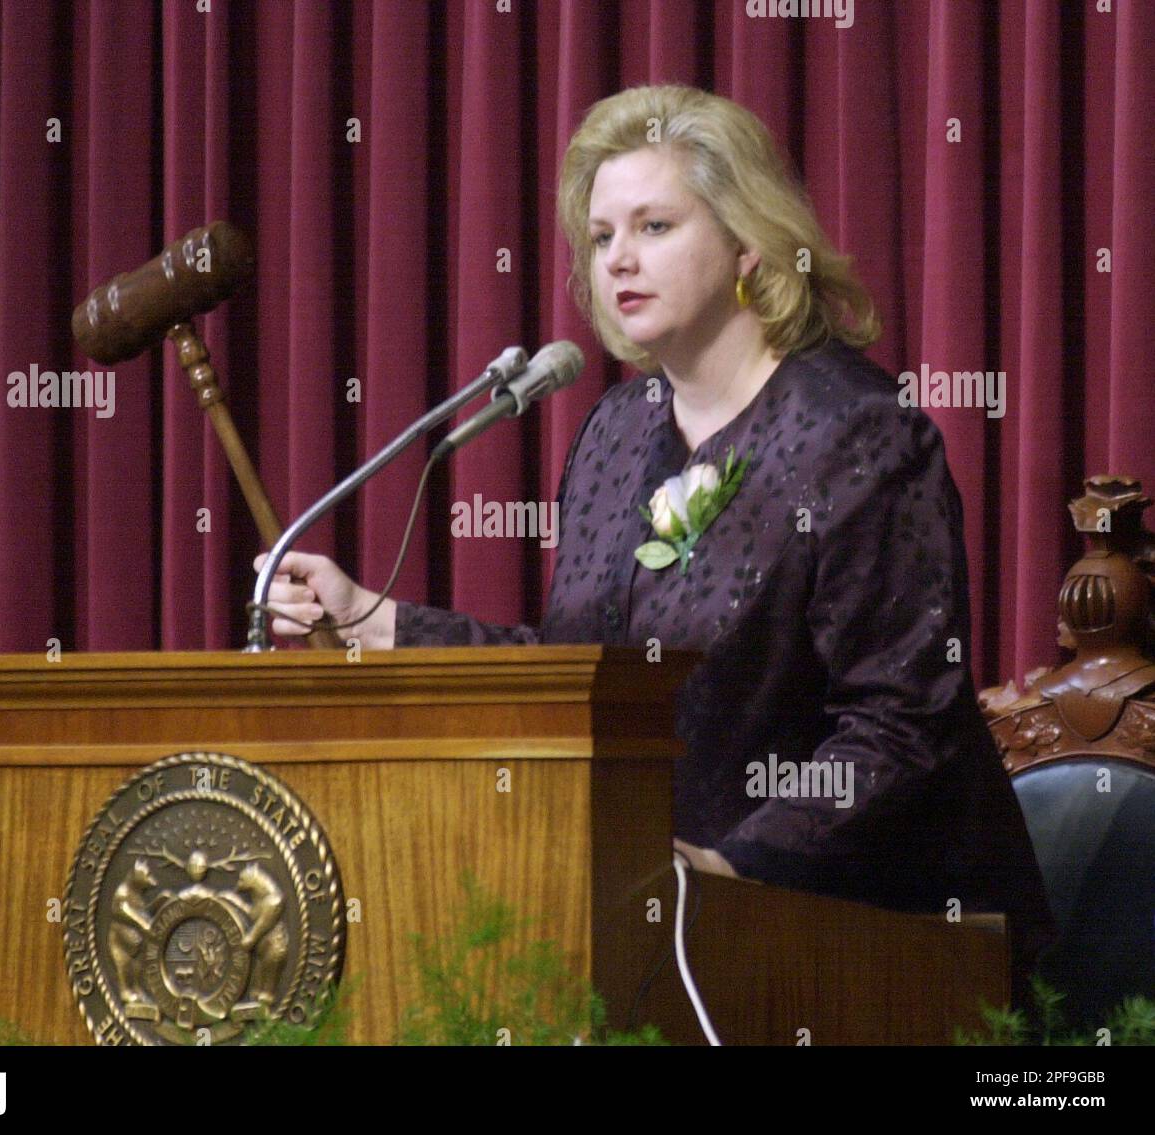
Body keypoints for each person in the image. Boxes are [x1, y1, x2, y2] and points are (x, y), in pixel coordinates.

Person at [256, 85, 1054, 1005]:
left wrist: (733, 861)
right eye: (600, 238)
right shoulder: (615, 432)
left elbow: (900, 725)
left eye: (654, 226)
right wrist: (380, 621)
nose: (618, 260)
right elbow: (582, 675)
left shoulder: (858, 435)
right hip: (662, 933)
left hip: (874, 941)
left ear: (749, 241)